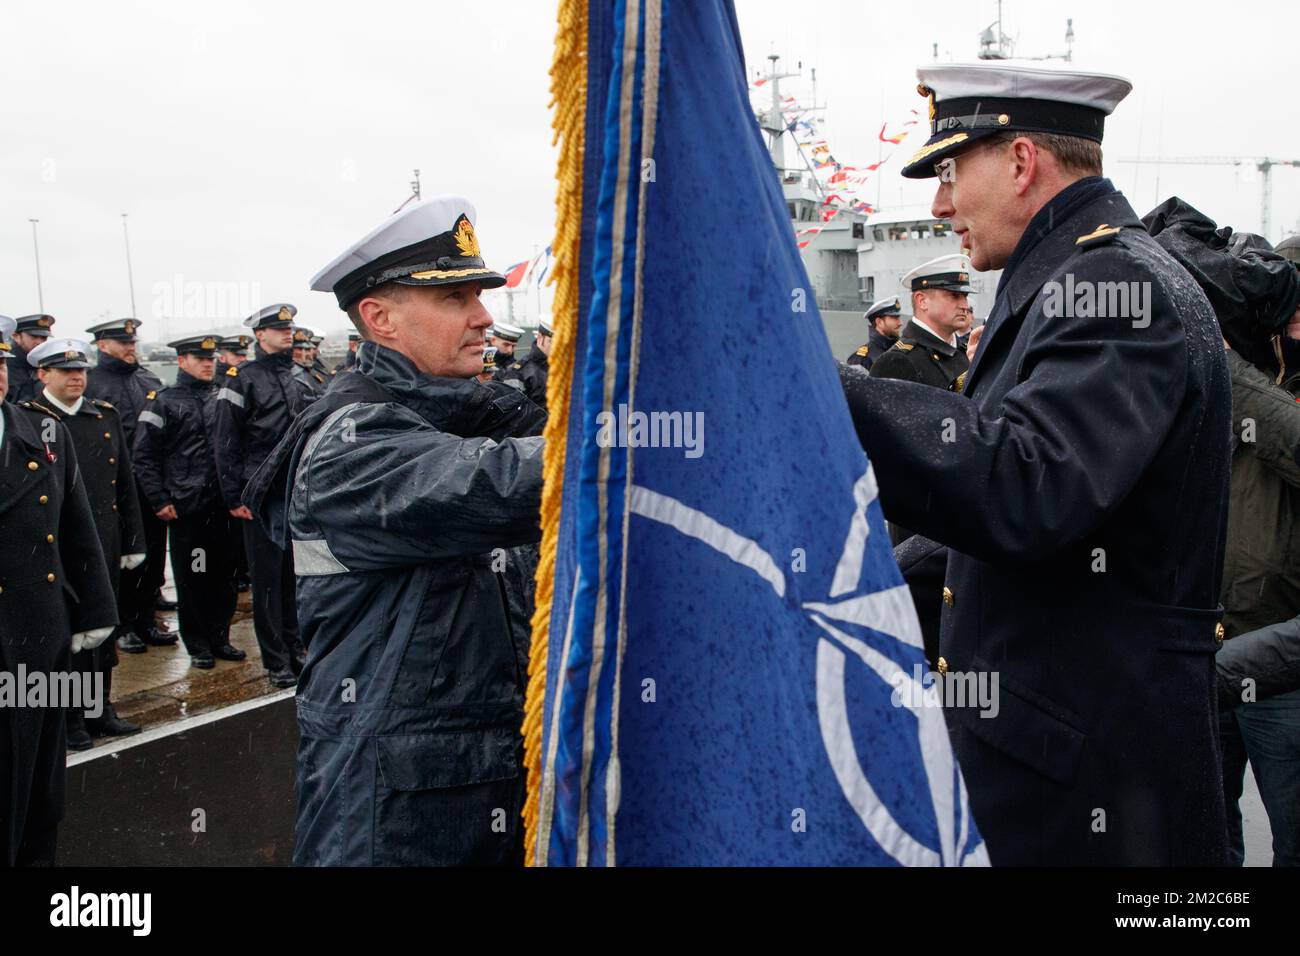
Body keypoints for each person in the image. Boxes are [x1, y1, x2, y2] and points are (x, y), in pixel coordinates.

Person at [838, 62, 1230, 865]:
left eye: (949, 172)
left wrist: (819, 388)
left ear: (1021, 162)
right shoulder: (1069, 279)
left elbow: (1029, 487)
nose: (940, 203)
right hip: (1066, 768)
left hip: (1095, 793)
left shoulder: (1115, 286)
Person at [244, 196, 546, 865]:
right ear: (379, 319)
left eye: (479, 295)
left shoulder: (473, 410)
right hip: (394, 812)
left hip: (488, 782)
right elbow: (500, 481)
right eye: (455, 299)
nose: (484, 317)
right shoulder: (352, 444)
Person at [0, 317, 118, 864]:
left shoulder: (42, 434)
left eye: (0, 364)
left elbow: (76, 525)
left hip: (39, 631)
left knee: (41, 787)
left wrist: (94, 608)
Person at [24, 337, 146, 749]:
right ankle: (70, 718)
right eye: (66, 371)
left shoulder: (103, 416)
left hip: (103, 541)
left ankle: (100, 710)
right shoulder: (30, 421)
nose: (77, 378)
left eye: (81, 371)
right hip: (55, 544)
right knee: (65, 632)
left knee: (102, 626)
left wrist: (132, 541)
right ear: (43, 375)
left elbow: (125, 484)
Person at [212, 303, 316, 688]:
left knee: (294, 575)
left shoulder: (298, 376)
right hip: (259, 494)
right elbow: (225, 442)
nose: (287, 334)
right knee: (268, 582)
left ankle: (297, 647)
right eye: (278, 329)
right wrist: (234, 495)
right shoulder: (241, 379)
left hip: (294, 491)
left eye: (289, 328)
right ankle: (276, 660)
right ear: (260, 336)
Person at [134, 335, 244, 671]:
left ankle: (220, 637)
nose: (208, 363)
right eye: (200, 358)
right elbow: (144, 455)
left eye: (211, 358)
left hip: (222, 506)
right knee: (194, 577)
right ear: (182, 361)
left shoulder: (222, 397)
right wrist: (159, 499)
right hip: (188, 508)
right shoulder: (163, 402)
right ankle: (197, 644)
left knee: (224, 577)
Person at [83, 317, 177, 655]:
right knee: (121, 559)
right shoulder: (91, 384)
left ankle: (146, 619)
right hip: (112, 488)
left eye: (133, 342)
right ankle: (122, 625)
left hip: (150, 485)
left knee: (151, 559)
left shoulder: (147, 380)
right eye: (123, 343)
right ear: (102, 345)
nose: (130, 348)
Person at [869, 254, 973, 392]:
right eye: (954, 295)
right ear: (922, 301)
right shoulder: (896, 362)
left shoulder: (965, 352)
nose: (965, 306)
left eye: (965, 297)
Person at [495, 319, 551, 408]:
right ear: (540, 338)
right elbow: (513, 411)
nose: (557, 347)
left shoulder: (567, 369)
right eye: (551, 342)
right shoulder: (518, 371)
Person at [6, 314, 56, 404]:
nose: (40, 342)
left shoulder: (48, 364)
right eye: (34, 336)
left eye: (44, 338)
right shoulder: (5, 364)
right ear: (16, 336)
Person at [845, 297, 902, 371]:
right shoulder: (862, 360)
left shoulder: (903, 351)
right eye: (895, 318)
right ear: (879, 322)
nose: (900, 323)